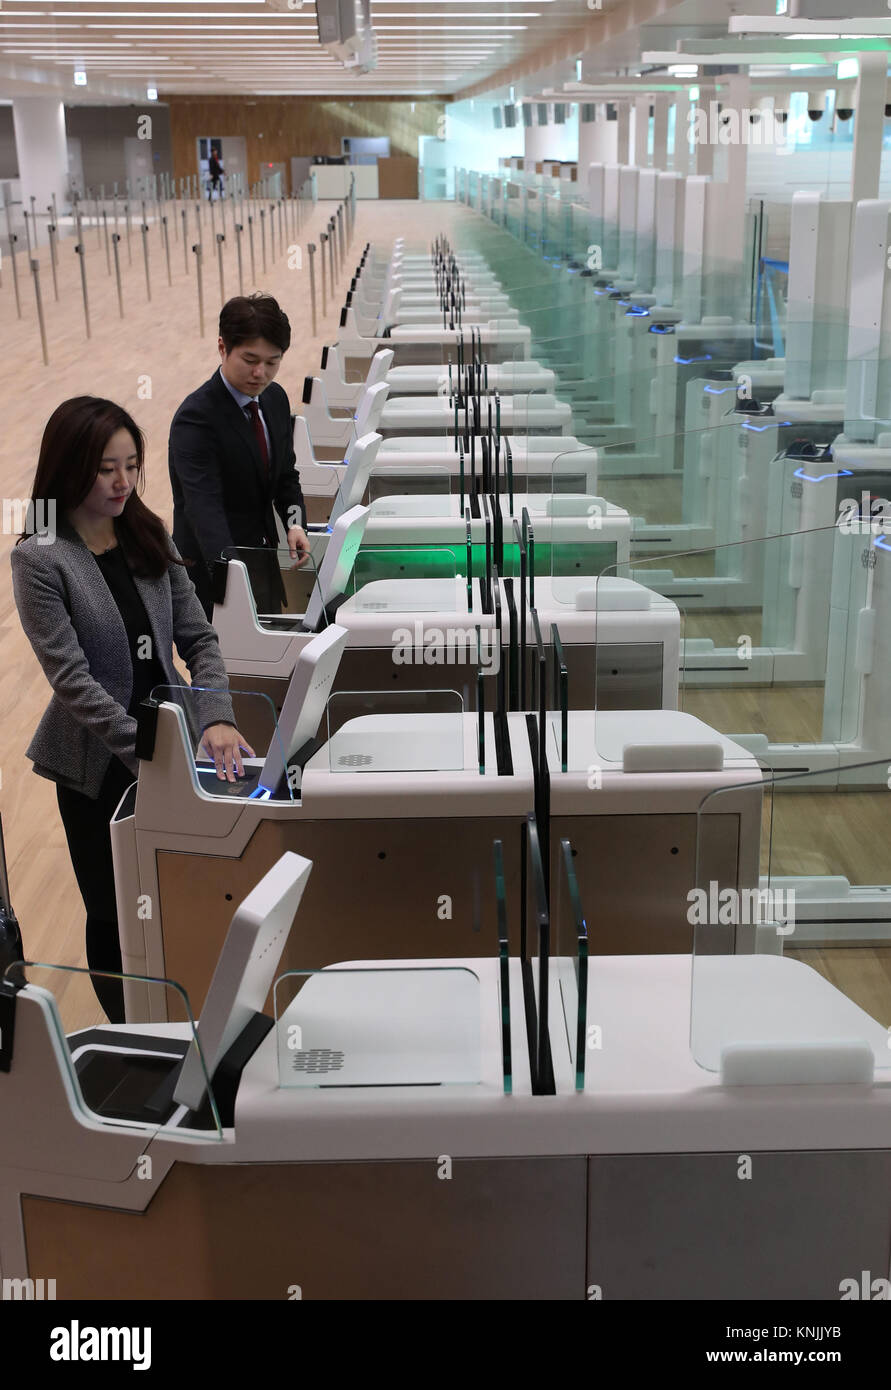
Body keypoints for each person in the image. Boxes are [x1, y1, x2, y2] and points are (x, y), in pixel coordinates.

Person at [11, 397, 253, 1023]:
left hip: (173, 741)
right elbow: (72, 681)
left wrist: (217, 716)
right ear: (70, 470)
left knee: (180, 897)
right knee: (115, 911)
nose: (123, 483)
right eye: (105, 469)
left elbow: (198, 639)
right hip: (96, 763)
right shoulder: (39, 555)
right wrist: (152, 755)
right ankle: (132, 1034)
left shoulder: (147, 530)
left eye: (132, 465)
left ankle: (185, 1019)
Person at [168, 293, 310, 618]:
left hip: (262, 565)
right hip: (215, 577)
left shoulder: (274, 399)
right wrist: (234, 586)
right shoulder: (196, 419)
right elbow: (205, 512)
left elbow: (286, 474)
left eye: (272, 362)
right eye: (250, 360)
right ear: (222, 347)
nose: (260, 372)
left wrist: (294, 522)